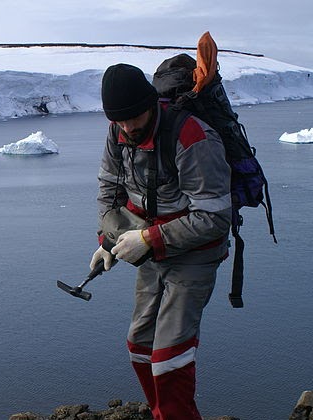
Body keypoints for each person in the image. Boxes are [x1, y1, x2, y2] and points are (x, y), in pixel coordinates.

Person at [91, 63, 231, 420]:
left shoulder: (191, 138)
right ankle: (166, 415)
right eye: (118, 122)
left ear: (151, 104)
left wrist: (148, 238)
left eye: (133, 119)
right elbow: (110, 193)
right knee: (140, 345)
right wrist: (108, 240)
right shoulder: (118, 131)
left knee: (170, 355)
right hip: (150, 246)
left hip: (195, 252)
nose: (127, 129)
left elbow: (215, 218)